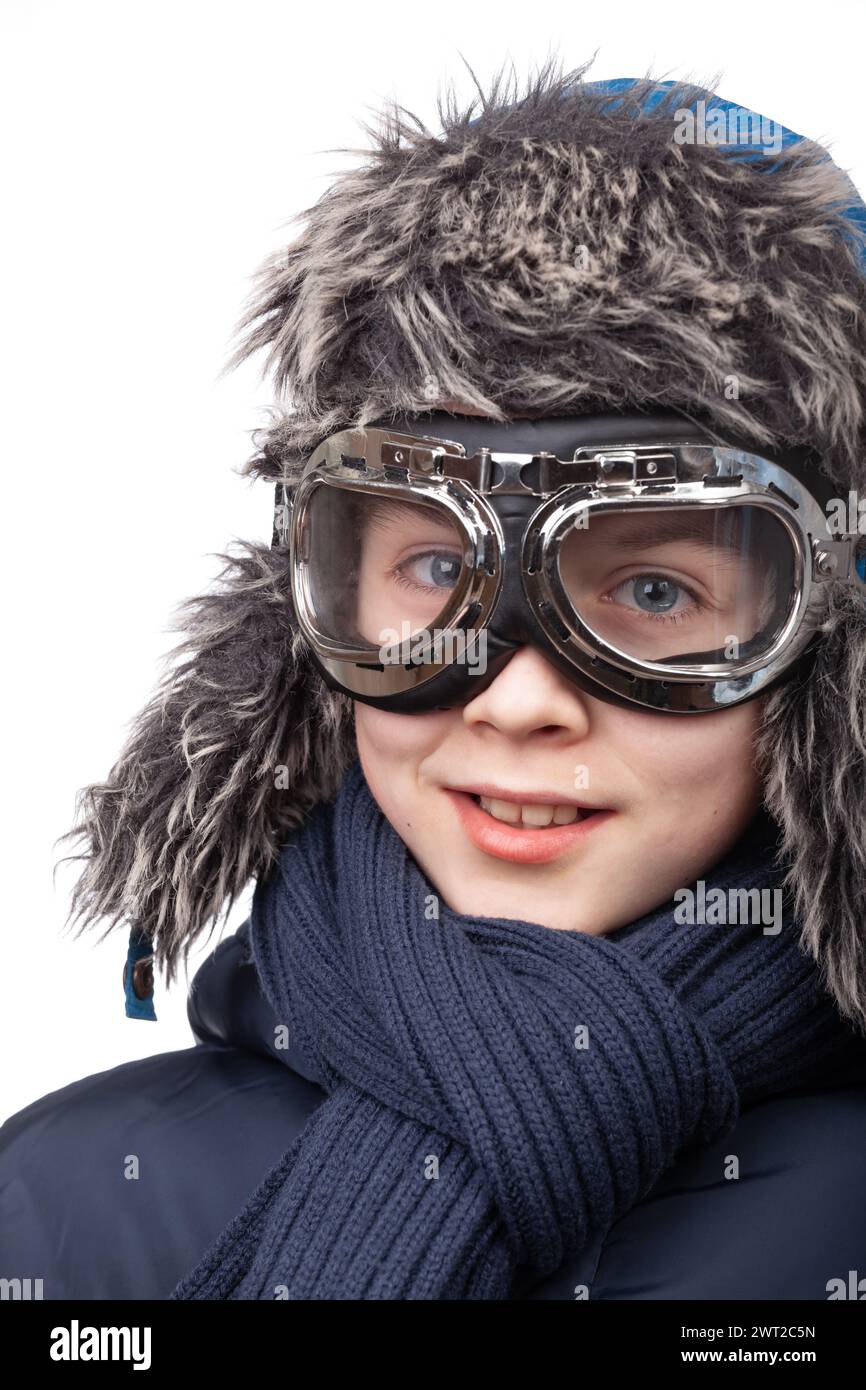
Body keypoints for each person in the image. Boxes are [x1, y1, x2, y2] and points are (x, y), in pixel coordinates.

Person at [3, 59, 866, 1301]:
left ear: (826, 658)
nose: (515, 701)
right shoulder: (66, 1207)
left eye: (655, 592)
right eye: (429, 569)